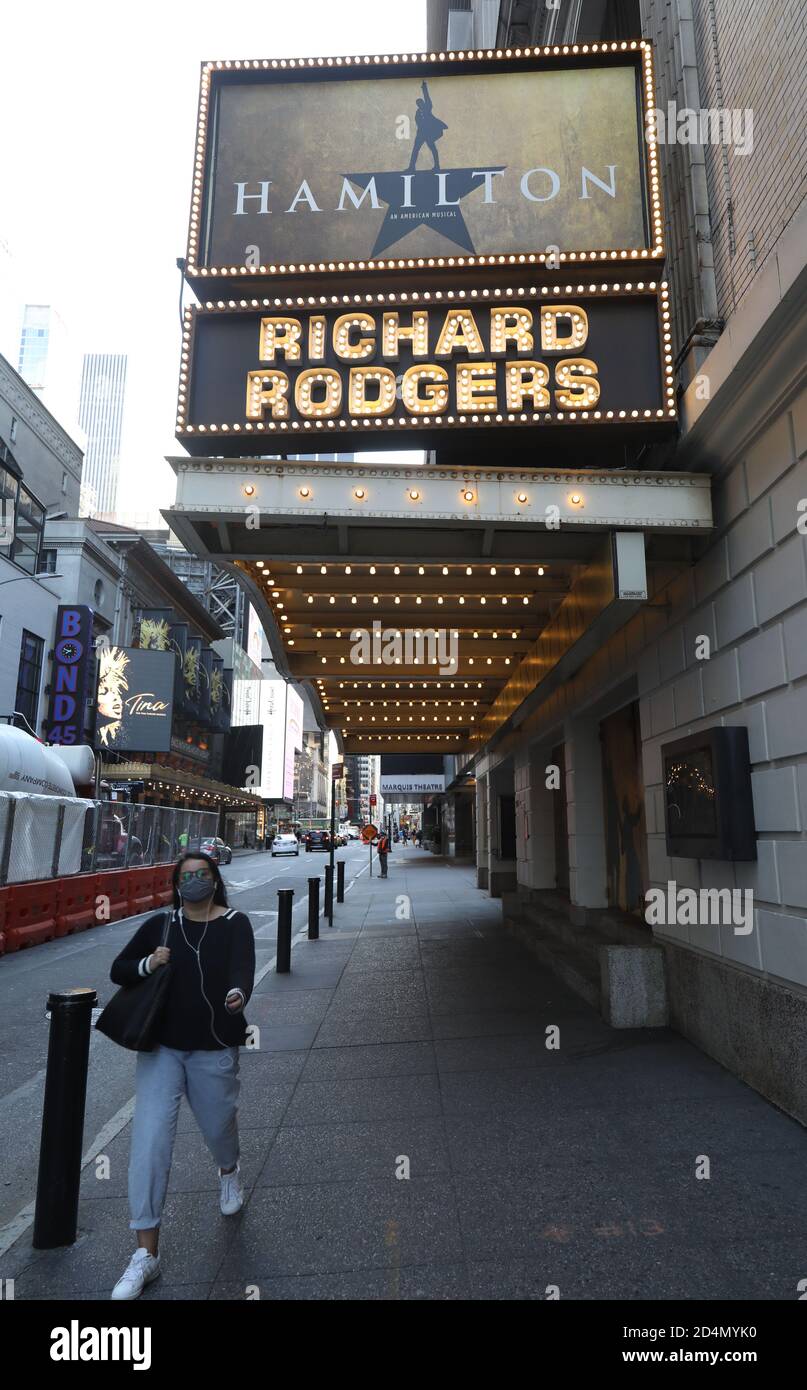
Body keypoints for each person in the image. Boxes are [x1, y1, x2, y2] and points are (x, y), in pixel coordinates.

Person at [107, 851, 255, 1301]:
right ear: (176, 883)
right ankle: (145, 1253)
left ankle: (228, 1170)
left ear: (215, 880)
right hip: (163, 1050)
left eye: (202, 875)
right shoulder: (162, 925)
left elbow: (242, 969)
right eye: (186, 876)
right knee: (150, 1141)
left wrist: (237, 993)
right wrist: (149, 964)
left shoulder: (234, 923)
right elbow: (119, 969)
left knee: (218, 1127)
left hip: (213, 1048)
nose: (194, 882)